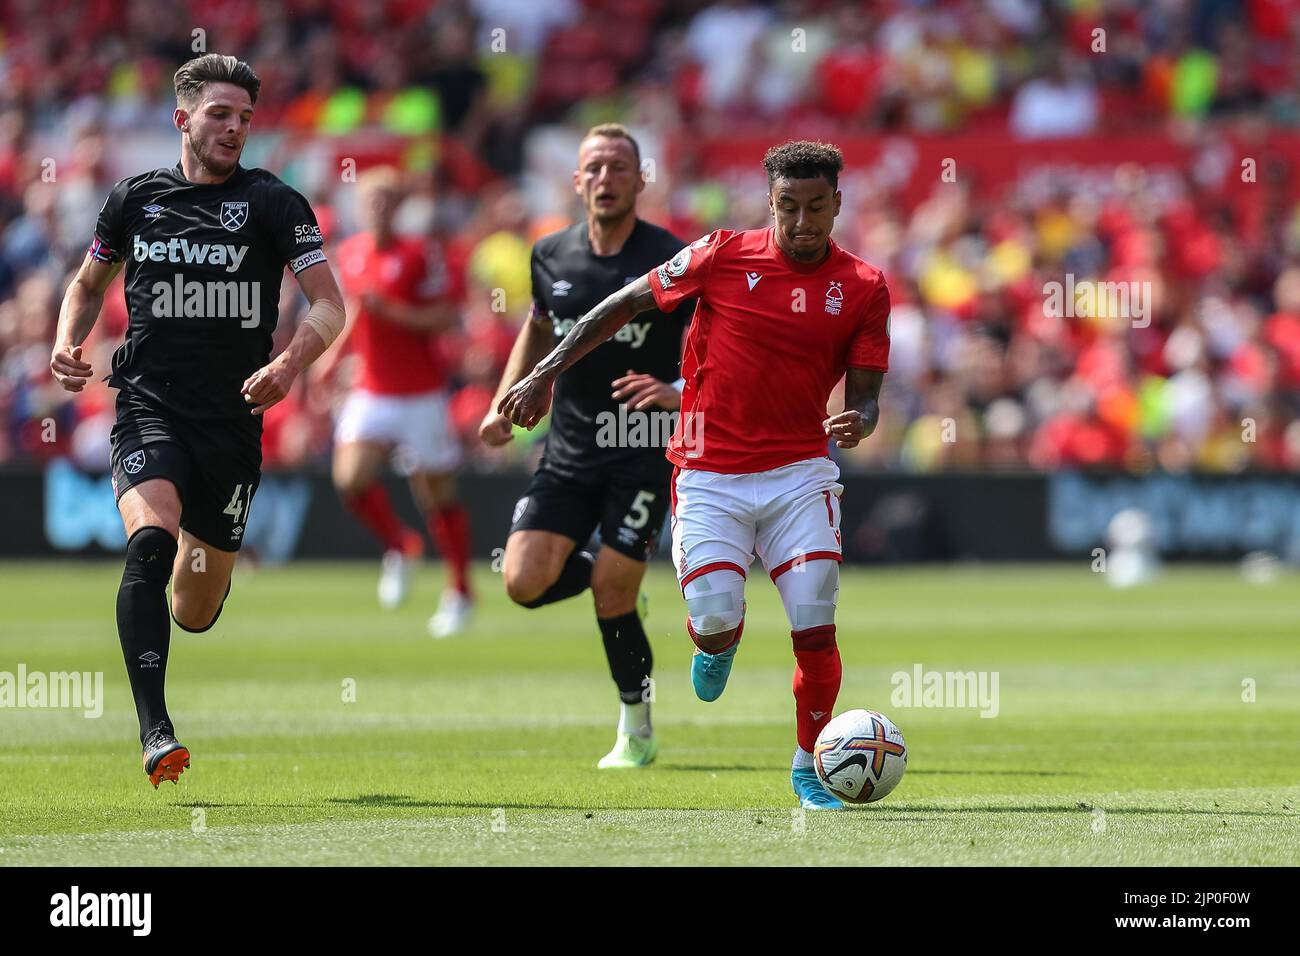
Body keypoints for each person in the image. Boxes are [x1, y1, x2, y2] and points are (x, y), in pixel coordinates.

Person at [498, 141, 891, 808]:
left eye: (816, 208)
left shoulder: (863, 286)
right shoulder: (721, 256)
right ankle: (720, 638)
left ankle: (808, 767)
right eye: (787, 208)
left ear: (837, 205)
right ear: (769, 204)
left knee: (816, 622)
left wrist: (861, 418)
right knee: (712, 617)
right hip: (710, 473)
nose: (801, 223)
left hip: (801, 474)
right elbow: (618, 308)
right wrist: (542, 373)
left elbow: (868, 392)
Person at [48, 55, 346, 787]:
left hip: (234, 422)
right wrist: (65, 340)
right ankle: (155, 732)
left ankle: (202, 575)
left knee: (194, 606)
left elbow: (332, 306)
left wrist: (288, 365)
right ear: (183, 119)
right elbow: (87, 283)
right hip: (148, 406)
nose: (235, 128)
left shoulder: (276, 204)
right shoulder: (134, 199)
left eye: (245, 117)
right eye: (220, 114)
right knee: (148, 544)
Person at [479, 124, 693, 768]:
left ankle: (637, 728)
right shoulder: (550, 255)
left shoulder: (672, 258)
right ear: (576, 182)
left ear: (639, 180)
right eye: (594, 168)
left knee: (610, 595)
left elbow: (716, 340)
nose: (605, 178)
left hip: (644, 449)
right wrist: (507, 397)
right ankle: (613, 573)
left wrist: (679, 387)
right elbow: (539, 326)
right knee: (521, 581)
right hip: (569, 450)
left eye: (618, 167)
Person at [328, 167, 473, 638]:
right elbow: (356, 312)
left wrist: (392, 310)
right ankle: (401, 545)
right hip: (371, 387)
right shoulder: (350, 254)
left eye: (388, 201)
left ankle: (459, 590)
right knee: (350, 478)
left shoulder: (420, 253)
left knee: (436, 494)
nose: (378, 209)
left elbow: (446, 317)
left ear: (400, 206)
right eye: (371, 201)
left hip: (421, 391)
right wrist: (333, 359)